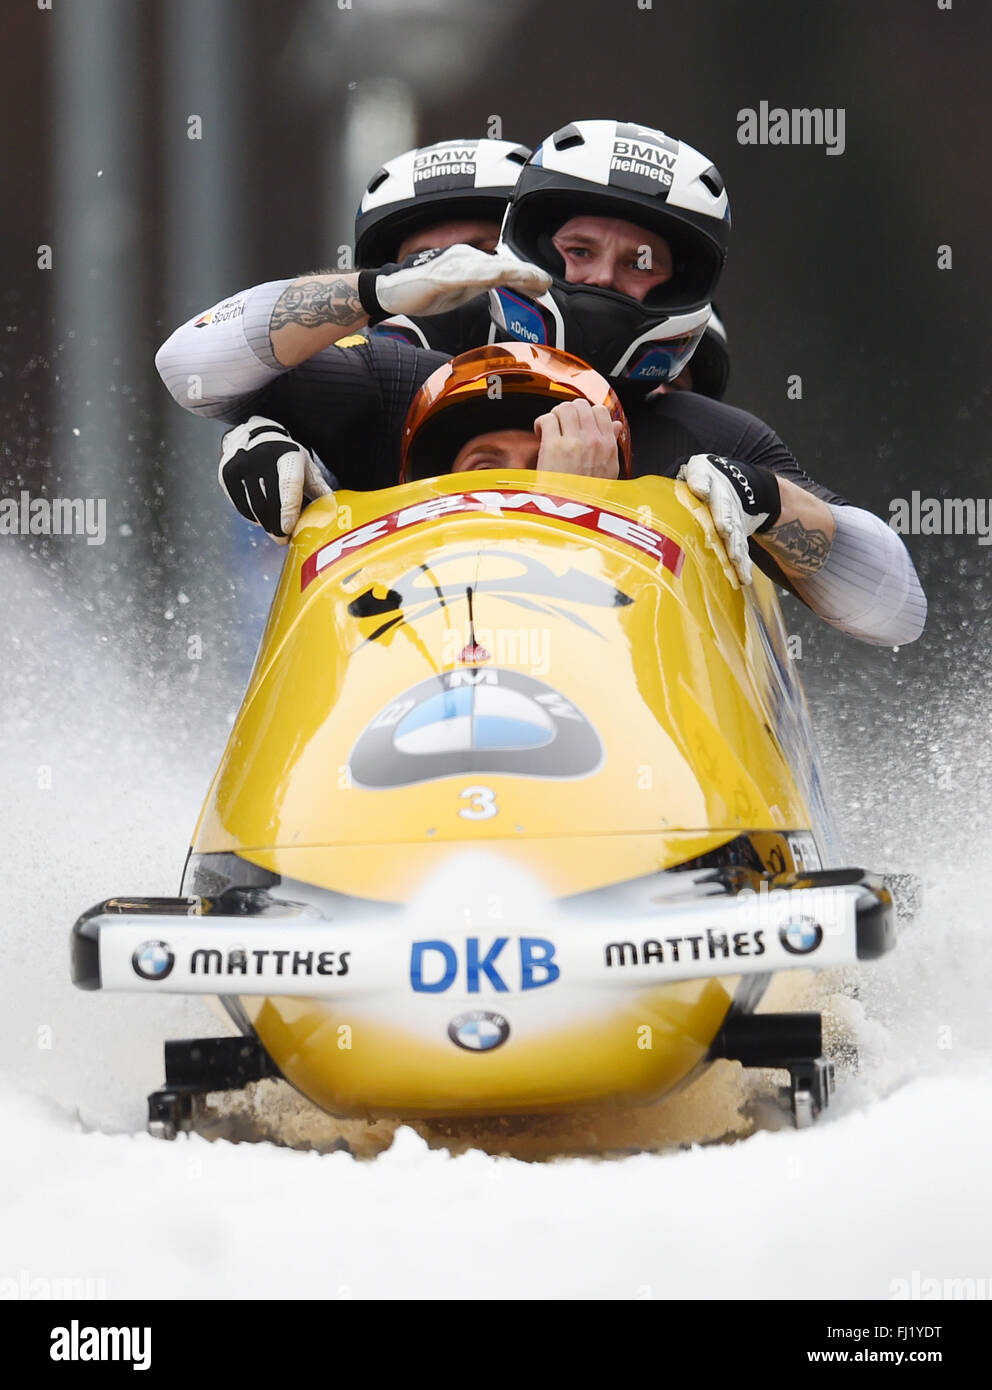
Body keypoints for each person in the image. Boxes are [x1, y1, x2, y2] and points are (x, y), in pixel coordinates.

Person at [155, 119, 925, 645]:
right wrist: (375, 295)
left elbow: (895, 609)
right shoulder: (398, 385)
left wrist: (769, 502)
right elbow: (187, 365)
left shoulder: (709, 440)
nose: (601, 281)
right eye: (578, 250)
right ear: (533, 253)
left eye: (641, 264)